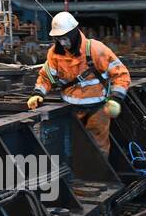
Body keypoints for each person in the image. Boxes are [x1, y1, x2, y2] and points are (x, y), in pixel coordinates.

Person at [26, 11, 130, 155]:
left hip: (97, 108)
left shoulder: (96, 49)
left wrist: (116, 98)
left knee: (97, 149)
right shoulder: (55, 54)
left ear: (74, 33)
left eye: (64, 38)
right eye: (58, 39)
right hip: (70, 109)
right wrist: (38, 93)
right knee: (71, 148)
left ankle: (99, 174)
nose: (62, 43)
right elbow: (45, 76)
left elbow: (121, 74)